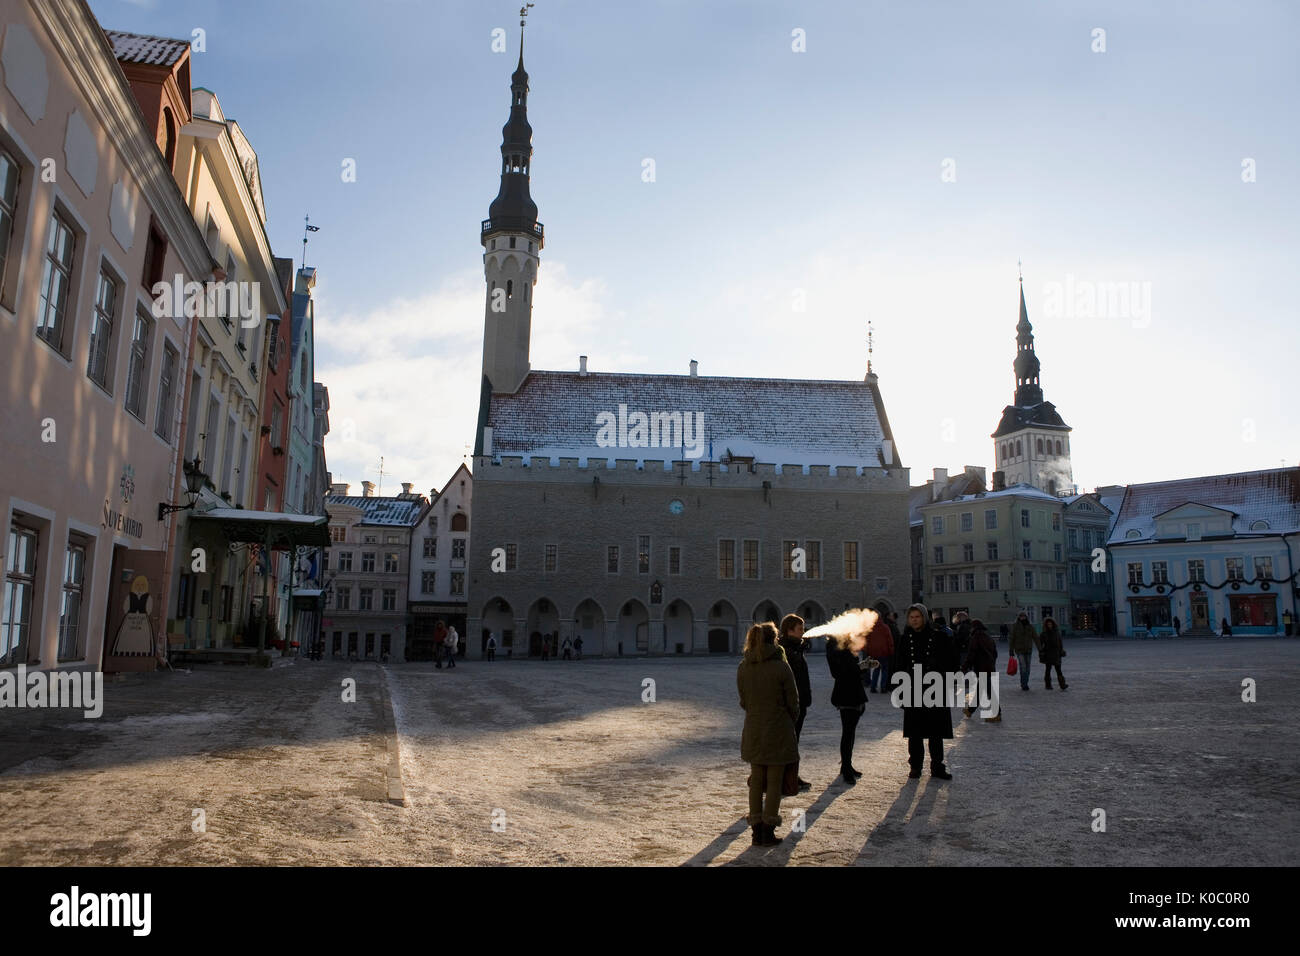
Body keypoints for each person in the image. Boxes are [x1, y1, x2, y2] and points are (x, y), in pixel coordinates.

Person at [737, 621, 799, 847]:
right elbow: (794, 702)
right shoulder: (782, 667)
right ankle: (768, 830)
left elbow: (743, 700)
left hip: (754, 729)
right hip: (778, 730)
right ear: (775, 640)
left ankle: (755, 831)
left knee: (756, 782)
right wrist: (787, 720)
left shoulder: (744, 666)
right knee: (774, 782)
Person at [895, 602, 956, 780]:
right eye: (911, 617)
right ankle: (915, 766)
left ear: (924, 617)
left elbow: (951, 661)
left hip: (934, 688)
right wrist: (900, 687)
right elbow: (900, 664)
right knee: (915, 732)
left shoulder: (939, 637)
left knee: (935, 731)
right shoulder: (905, 639)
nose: (914, 620)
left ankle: (937, 766)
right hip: (913, 687)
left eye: (917, 617)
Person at [826, 631, 869, 785]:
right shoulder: (834, 646)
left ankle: (847, 765)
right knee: (848, 732)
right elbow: (839, 672)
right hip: (846, 693)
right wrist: (859, 668)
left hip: (854, 692)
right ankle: (846, 768)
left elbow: (852, 667)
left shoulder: (845, 644)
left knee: (850, 732)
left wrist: (862, 667)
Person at [778, 614, 813, 791]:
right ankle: (786, 779)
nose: (803, 632)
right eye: (800, 629)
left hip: (800, 702)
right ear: (789, 630)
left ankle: (792, 775)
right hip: (792, 705)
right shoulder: (785, 650)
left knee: (794, 741)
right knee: (789, 742)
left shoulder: (795, 648)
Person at [961, 619, 999, 721]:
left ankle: (997, 714)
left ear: (973, 627)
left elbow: (972, 653)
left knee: (989, 692)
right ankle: (970, 710)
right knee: (981, 690)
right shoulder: (988, 637)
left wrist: (964, 666)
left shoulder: (975, 637)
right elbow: (995, 653)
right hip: (989, 667)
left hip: (982, 667)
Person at [1009, 611, 1040, 691]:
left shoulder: (1030, 626)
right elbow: (1012, 639)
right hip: (1019, 650)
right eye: (1021, 616)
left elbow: (1035, 638)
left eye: (1024, 616)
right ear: (1019, 618)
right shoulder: (1015, 626)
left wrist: (1040, 649)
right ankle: (1024, 684)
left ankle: (1025, 682)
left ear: (1026, 617)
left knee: (1028, 668)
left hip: (1028, 650)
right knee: (1023, 667)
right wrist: (1011, 650)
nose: (1022, 618)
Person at [866, 613, 894, 694]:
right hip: (884, 652)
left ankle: (873, 687)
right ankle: (883, 687)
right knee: (884, 670)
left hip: (874, 652)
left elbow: (867, 641)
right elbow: (890, 640)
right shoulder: (885, 627)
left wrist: (868, 651)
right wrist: (891, 651)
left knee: (876, 669)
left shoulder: (871, 628)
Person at [1038, 616, 1067, 690]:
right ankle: (1048, 685)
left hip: (1057, 653)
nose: (1050, 625)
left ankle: (1062, 684)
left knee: (1058, 669)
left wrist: (1061, 651)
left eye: (1051, 624)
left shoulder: (1057, 632)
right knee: (1048, 669)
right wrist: (1041, 652)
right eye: (1048, 624)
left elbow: (1060, 643)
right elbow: (1040, 644)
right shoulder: (1043, 634)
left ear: (1053, 624)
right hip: (1048, 654)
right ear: (1046, 625)